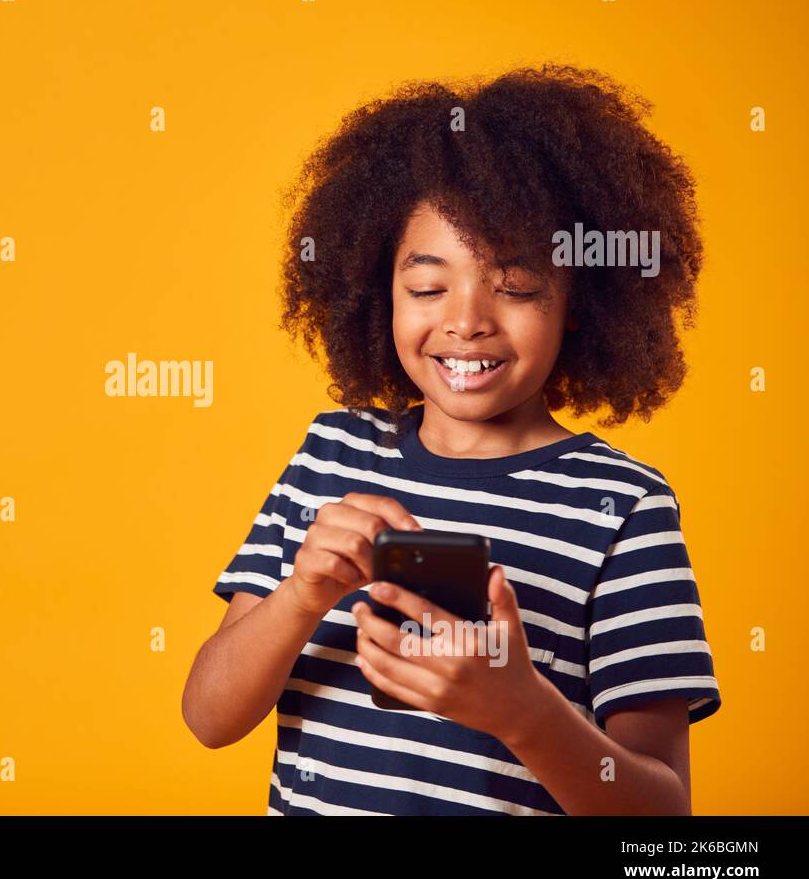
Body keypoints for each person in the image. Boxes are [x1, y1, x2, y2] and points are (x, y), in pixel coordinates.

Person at [181, 64, 721, 815]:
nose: (466, 321)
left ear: (584, 303)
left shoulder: (623, 509)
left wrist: (523, 712)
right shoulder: (329, 457)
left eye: (518, 287)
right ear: (378, 292)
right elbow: (209, 718)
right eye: (428, 288)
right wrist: (300, 596)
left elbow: (660, 814)